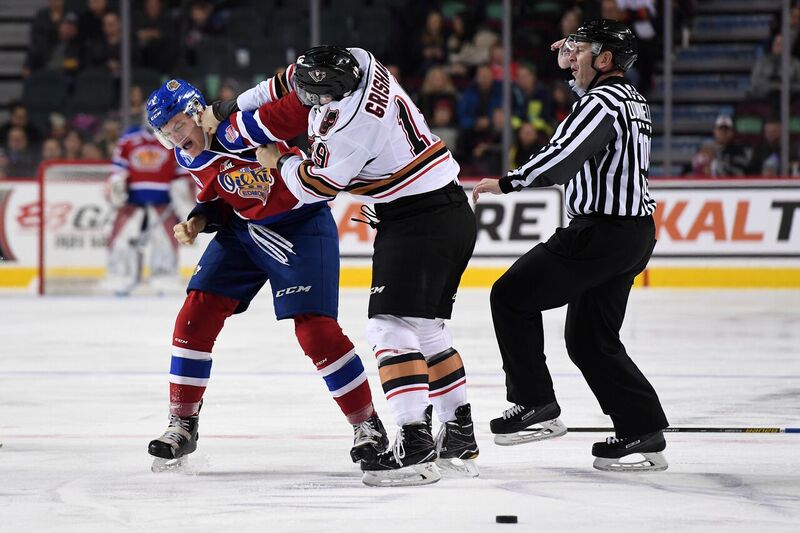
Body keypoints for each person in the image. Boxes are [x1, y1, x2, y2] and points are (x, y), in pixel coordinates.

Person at [210, 46, 480, 486]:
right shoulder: (359, 59)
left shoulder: (350, 130)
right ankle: (459, 435)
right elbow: (286, 80)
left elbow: (317, 187)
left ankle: (413, 444)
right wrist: (230, 107)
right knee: (428, 329)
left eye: (308, 94)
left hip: (417, 219)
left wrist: (279, 160)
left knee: (388, 328)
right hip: (447, 209)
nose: (297, 95)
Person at [144, 79, 388, 472]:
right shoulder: (189, 156)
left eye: (177, 125)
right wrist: (198, 220)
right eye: (165, 133)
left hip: (301, 225)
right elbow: (220, 198)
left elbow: (291, 112)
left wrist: (304, 87)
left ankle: (368, 426)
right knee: (194, 316)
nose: (174, 138)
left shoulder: (238, 129)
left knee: (315, 331)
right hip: (244, 230)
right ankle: (183, 422)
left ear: (195, 113)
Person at [472, 19, 669, 472]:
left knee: (511, 296)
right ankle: (642, 428)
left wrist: (508, 182)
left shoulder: (601, 103)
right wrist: (576, 49)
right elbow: (586, 108)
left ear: (604, 61)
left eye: (581, 52)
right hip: (631, 233)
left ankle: (534, 403)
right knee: (591, 340)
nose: (571, 59)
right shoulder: (630, 100)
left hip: (599, 233)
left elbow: (561, 160)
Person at [102, 120, 186, 295]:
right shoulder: (129, 139)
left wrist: (181, 195)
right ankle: (120, 277)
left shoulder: (172, 138)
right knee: (124, 239)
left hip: (164, 201)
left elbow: (181, 171)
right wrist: (117, 184)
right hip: (132, 201)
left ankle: (165, 279)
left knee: (165, 241)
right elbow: (118, 169)